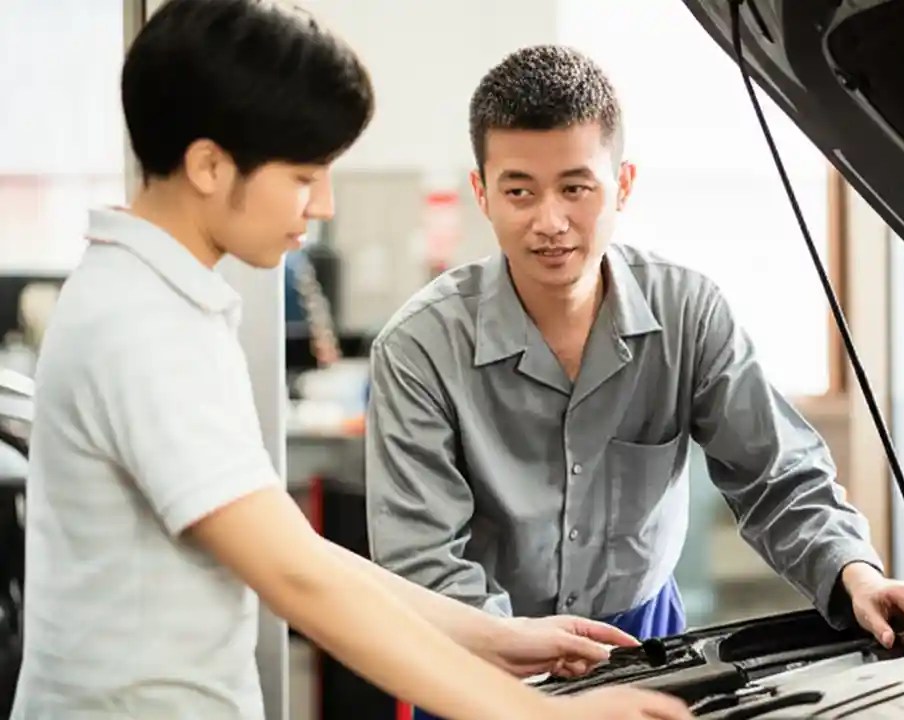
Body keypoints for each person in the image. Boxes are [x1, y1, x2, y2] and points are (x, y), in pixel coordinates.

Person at [10, 4, 691, 719]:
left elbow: (287, 543)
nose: (326, 204)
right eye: (306, 176)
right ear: (210, 165)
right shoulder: (140, 325)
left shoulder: (156, 299)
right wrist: (542, 714)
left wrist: (491, 635)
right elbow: (295, 578)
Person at [364, 44, 904, 672]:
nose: (550, 220)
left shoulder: (688, 314)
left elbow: (777, 474)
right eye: (520, 191)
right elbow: (419, 562)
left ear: (621, 185)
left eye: (575, 187)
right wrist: (518, 655)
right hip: (475, 661)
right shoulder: (418, 349)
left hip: (645, 648)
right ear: (482, 192)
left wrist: (856, 573)